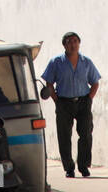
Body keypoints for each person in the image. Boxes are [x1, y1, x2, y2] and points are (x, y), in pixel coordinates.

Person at [43, 32, 101, 178]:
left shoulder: (86, 62)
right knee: (64, 136)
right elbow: (49, 83)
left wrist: (89, 99)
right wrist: (56, 100)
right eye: (69, 42)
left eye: (75, 41)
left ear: (79, 43)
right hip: (64, 103)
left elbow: (95, 82)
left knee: (86, 134)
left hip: (83, 102)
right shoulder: (56, 62)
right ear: (64, 45)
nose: (73, 45)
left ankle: (83, 165)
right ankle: (69, 167)